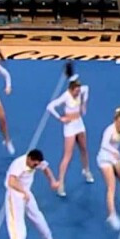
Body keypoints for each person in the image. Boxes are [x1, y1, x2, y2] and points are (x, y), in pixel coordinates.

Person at [5, 149, 63, 239]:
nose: (36, 167)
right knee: (17, 224)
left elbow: (45, 168)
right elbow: (11, 181)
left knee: (38, 217)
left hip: (26, 192)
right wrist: (23, 192)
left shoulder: (36, 162)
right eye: (34, 164)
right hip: (14, 194)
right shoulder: (18, 164)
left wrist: (52, 181)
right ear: (29, 159)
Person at [47, 63, 93, 196]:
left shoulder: (81, 91)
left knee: (84, 149)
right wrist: (60, 118)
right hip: (69, 126)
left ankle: (86, 170)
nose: (78, 92)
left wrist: (84, 104)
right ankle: (60, 183)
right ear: (71, 89)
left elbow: (87, 89)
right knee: (68, 155)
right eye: (76, 91)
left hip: (79, 122)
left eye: (79, 90)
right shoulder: (65, 96)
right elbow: (50, 106)